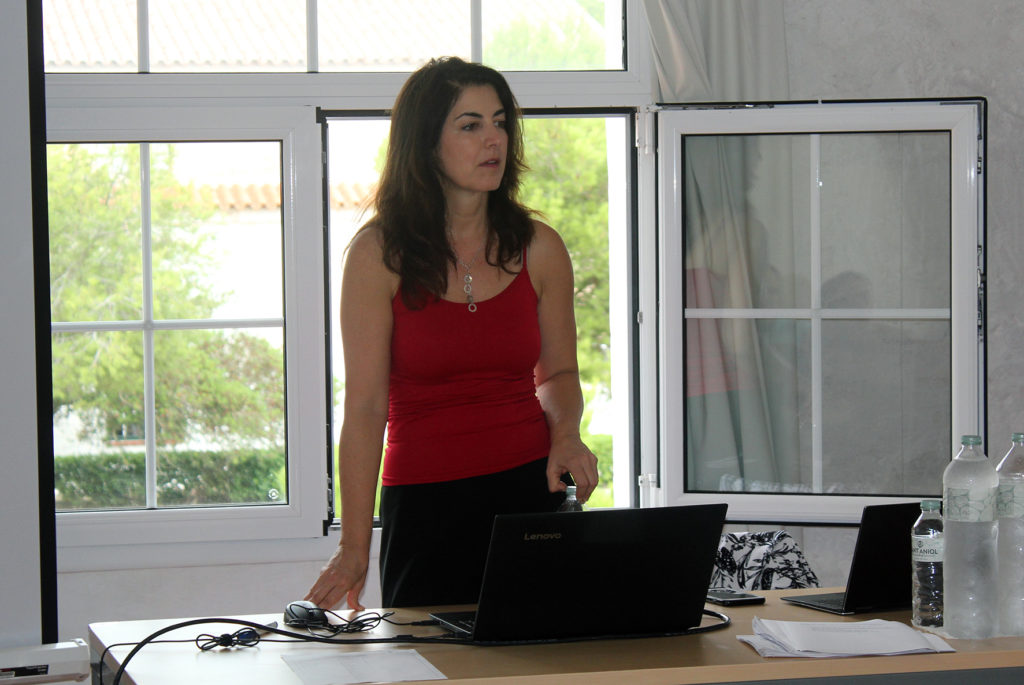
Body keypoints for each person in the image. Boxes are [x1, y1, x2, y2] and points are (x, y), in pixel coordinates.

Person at [305, 56, 599, 611]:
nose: (494, 139)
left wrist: (566, 432)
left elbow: (558, 373)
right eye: (470, 125)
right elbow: (366, 409)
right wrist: (353, 546)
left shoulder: (541, 248)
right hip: (424, 504)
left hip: (526, 496)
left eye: (500, 122)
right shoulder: (377, 255)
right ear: (425, 144)